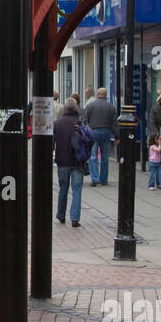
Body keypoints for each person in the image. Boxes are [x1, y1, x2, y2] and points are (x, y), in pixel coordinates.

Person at [53, 97, 91, 227]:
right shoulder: (81, 122)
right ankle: (75, 218)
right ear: (76, 108)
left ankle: (61, 214)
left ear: (64, 109)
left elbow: (52, 143)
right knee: (77, 189)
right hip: (78, 161)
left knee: (63, 188)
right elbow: (90, 140)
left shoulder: (58, 123)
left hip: (62, 161)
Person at [83, 87, 118, 186]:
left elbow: (85, 120)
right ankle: (104, 180)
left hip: (93, 132)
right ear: (106, 95)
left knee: (93, 156)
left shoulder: (90, 105)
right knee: (105, 157)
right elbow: (115, 123)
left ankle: (95, 178)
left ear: (97, 95)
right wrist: (117, 136)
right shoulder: (111, 107)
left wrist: (86, 133)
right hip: (106, 132)